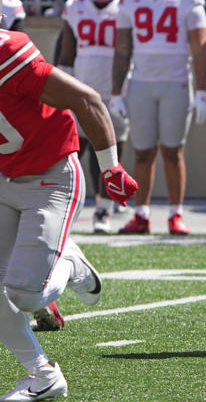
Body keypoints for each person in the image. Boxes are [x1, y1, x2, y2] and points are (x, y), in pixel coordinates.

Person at [0, 30, 138, 401]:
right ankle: (42, 376)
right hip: (4, 176)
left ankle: (71, 263)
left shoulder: (6, 51)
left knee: (24, 296)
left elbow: (85, 98)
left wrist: (110, 168)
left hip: (51, 175)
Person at [111, 0, 206, 235]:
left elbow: (200, 48)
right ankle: (141, 214)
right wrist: (116, 93)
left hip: (176, 82)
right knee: (142, 152)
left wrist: (203, 90)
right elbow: (122, 47)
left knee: (172, 151)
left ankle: (175, 214)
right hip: (141, 82)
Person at [57, 0, 130, 234]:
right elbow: (67, 53)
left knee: (112, 149)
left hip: (115, 89)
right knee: (76, 150)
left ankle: (105, 207)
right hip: (84, 86)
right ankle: (71, 203)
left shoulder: (126, 5)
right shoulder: (75, 7)